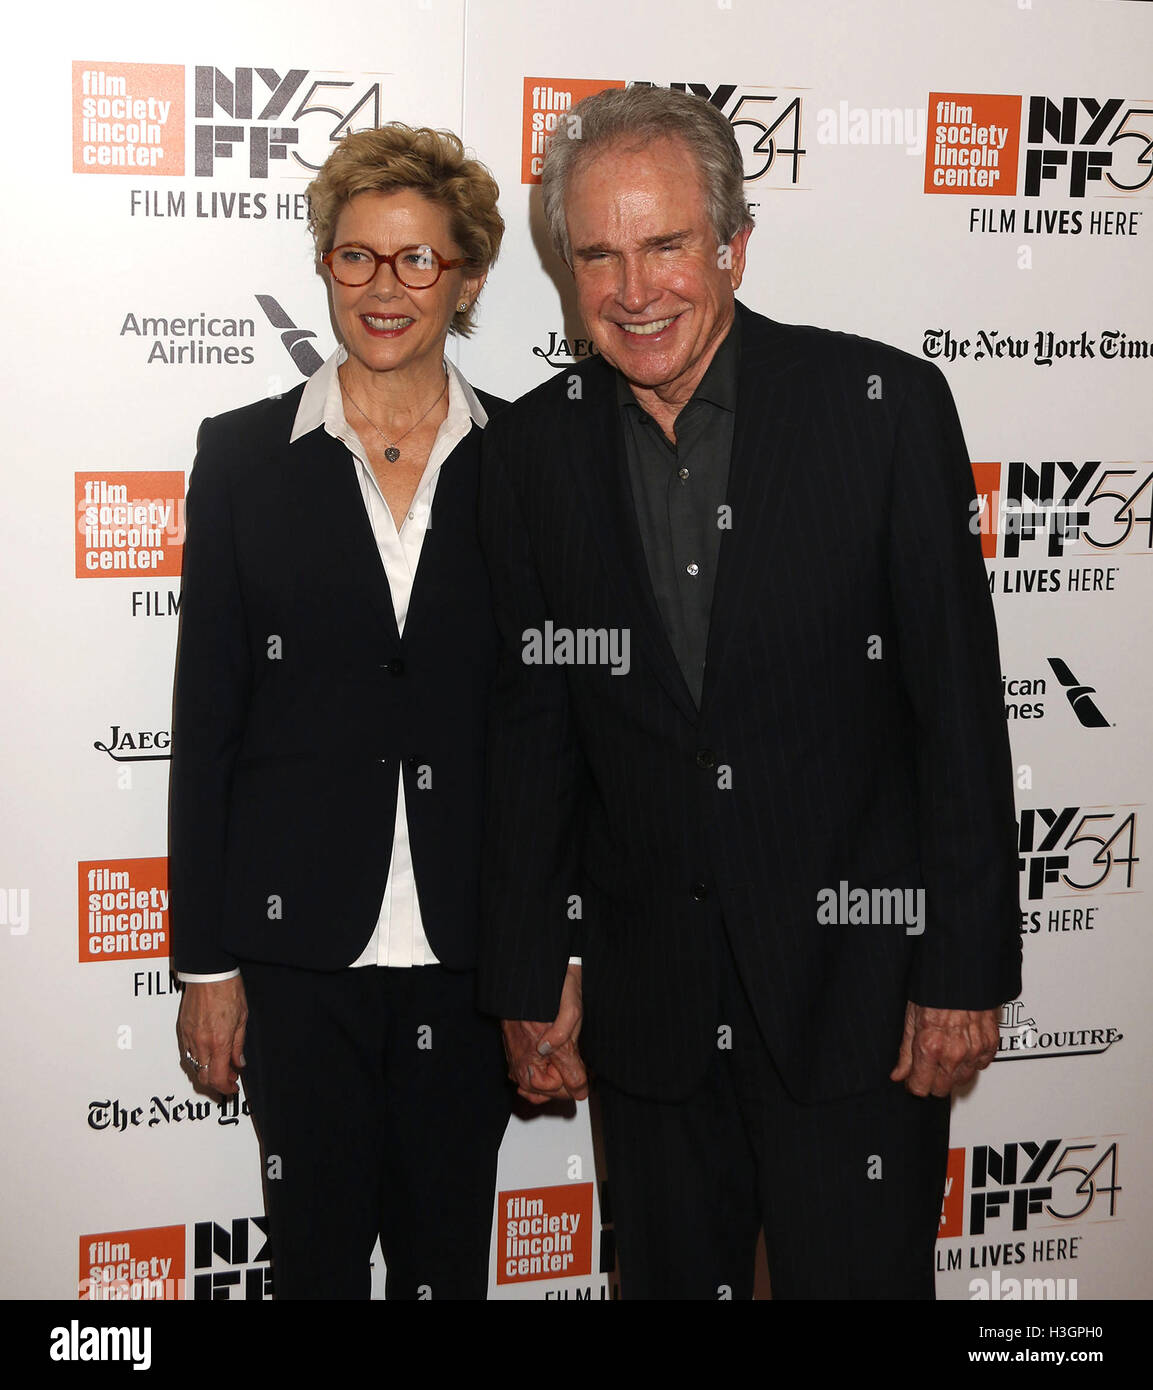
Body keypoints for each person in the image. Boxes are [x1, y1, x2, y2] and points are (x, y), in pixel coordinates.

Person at [476, 85, 1022, 1300]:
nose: (634, 291)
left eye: (666, 245)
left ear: (732, 243)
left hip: (861, 1004)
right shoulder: (526, 457)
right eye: (599, 256)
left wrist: (964, 966)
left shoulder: (878, 411)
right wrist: (528, 968)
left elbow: (957, 711)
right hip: (650, 1010)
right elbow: (534, 736)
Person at [169, 123, 511, 1300]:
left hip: (471, 962)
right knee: (311, 1267)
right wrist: (204, 963)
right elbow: (206, 720)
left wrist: (556, 951)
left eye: (418, 261)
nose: (384, 287)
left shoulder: (530, 460)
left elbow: (552, 732)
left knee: (443, 1268)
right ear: (323, 263)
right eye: (358, 256)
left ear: (465, 276)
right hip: (296, 952)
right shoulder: (244, 458)